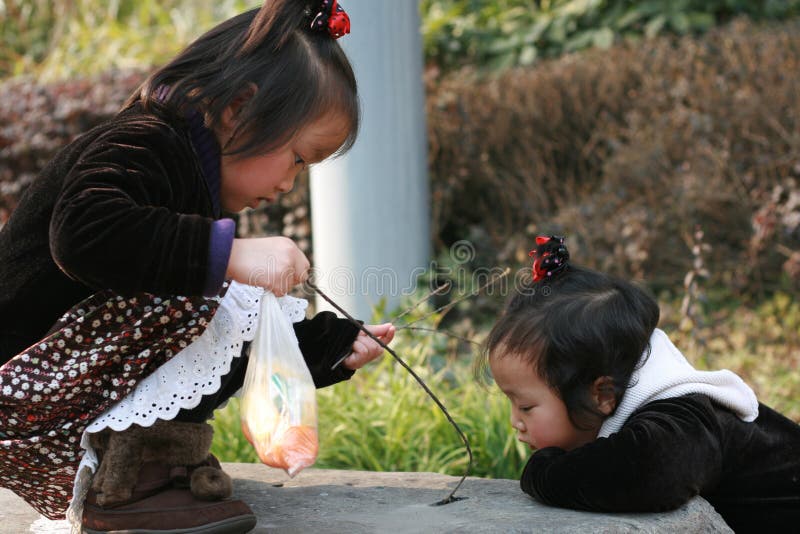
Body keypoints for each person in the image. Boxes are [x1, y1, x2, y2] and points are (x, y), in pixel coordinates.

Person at [0, 1, 395, 533]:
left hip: (48, 381)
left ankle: (155, 463)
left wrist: (333, 347)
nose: (288, 183)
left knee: (212, 286)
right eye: (299, 158)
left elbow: (240, 335)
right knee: (208, 289)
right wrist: (231, 254)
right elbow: (82, 232)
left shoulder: (189, 177)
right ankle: (126, 486)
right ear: (239, 111)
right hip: (18, 388)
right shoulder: (145, 141)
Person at [478, 235, 800, 533]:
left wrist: (543, 473)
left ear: (601, 394)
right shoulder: (641, 397)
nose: (515, 422)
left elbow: (641, 473)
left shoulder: (682, 419)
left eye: (525, 406)